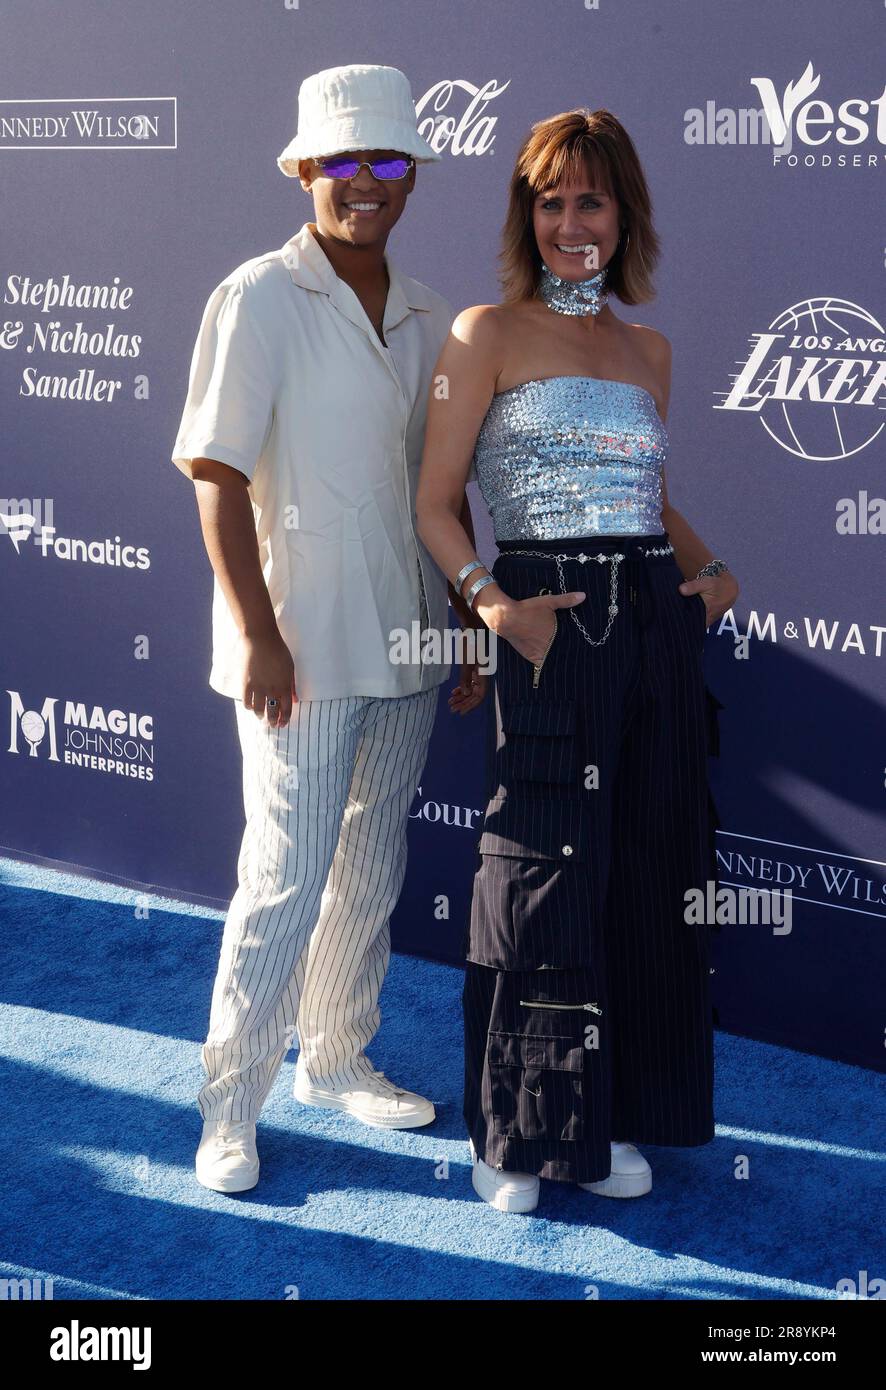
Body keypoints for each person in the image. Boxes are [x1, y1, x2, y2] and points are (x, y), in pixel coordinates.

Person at [416, 107, 738, 1213]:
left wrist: (714, 570)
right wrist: (493, 606)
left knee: (649, 866)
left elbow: (646, 496)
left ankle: (612, 1114)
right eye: (549, 203)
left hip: (650, 619)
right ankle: (514, 1131)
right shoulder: (485, 333)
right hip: (548, 620)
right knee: (538, 870)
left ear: (623, 213)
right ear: (527, 217)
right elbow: (434, 501)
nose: (569, 224)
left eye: (589, 200)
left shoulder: (649, 350)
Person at [170, 63, 483, 1194]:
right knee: (282, 877)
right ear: (304, 169)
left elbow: (438, 490)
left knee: (370, 865)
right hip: (296, 649)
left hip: (408, 640)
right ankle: (230, 1104)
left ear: (414, 176)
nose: (365, 181)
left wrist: (465, 616)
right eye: (342, 161)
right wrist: (256, 632)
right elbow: (214, 474)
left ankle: (337, 1057)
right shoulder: (257, 295)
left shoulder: (432, 313)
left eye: (387, 159)